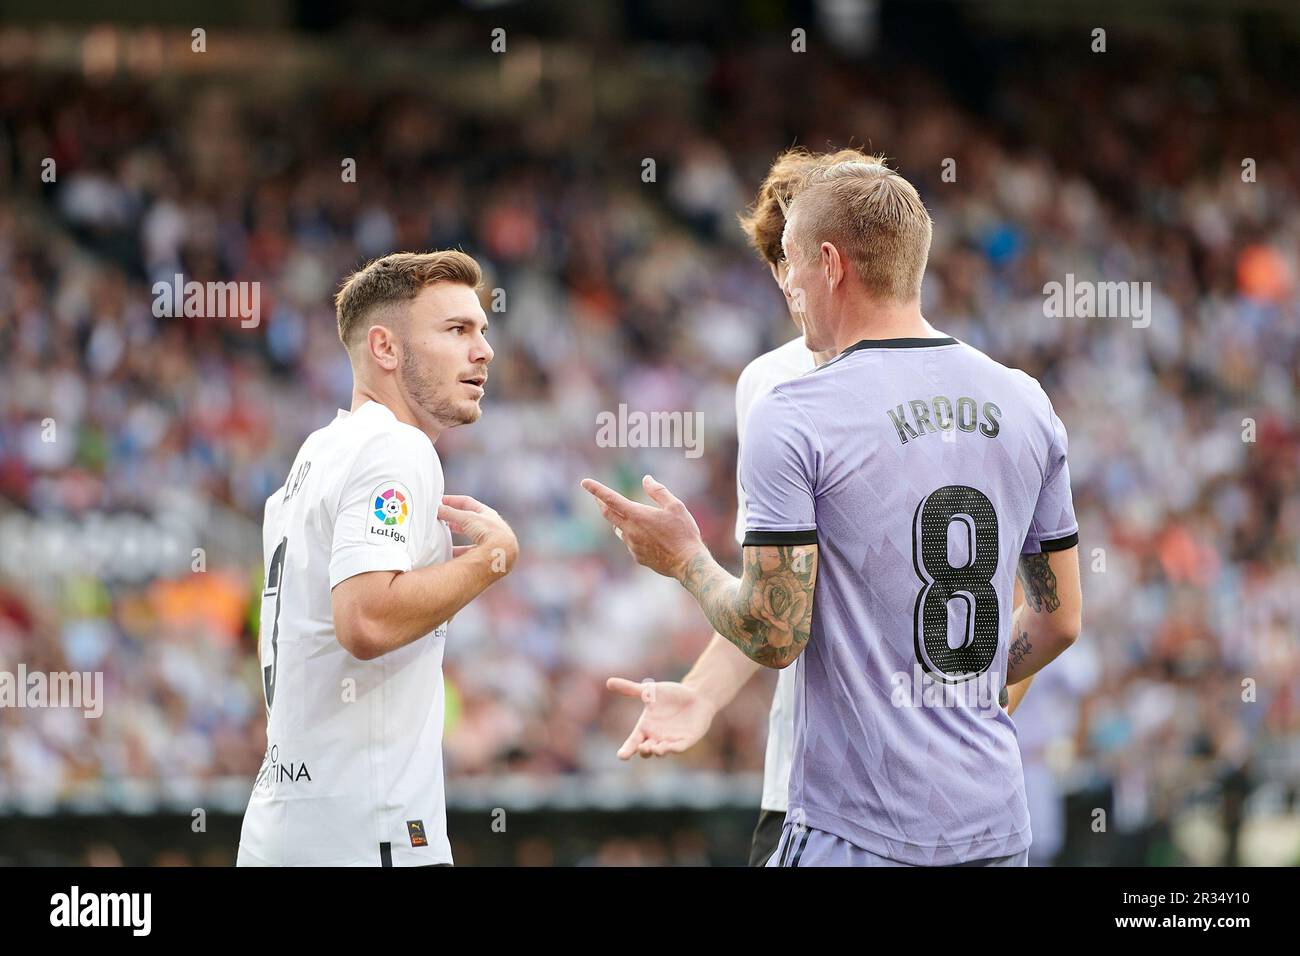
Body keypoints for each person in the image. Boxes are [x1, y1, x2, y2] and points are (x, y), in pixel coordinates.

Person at [583, 159, 1080, 867]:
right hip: (994, 822)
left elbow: (778, 625)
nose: (785, 286)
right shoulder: (1024, 399)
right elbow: (1059, 618)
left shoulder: (792, 404)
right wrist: (950, 699)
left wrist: (685, 562)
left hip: (855, 825)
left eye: (788, 264)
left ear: (828, 262)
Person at [237, 251, 518, 867]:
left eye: (482, 330)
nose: (483, 350)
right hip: (370, 834)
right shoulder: (396, 446)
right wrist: (493, 557)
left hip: (289, 828)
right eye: (456, 330)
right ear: (385, 349)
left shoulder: (317, 454)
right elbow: (365, 620)